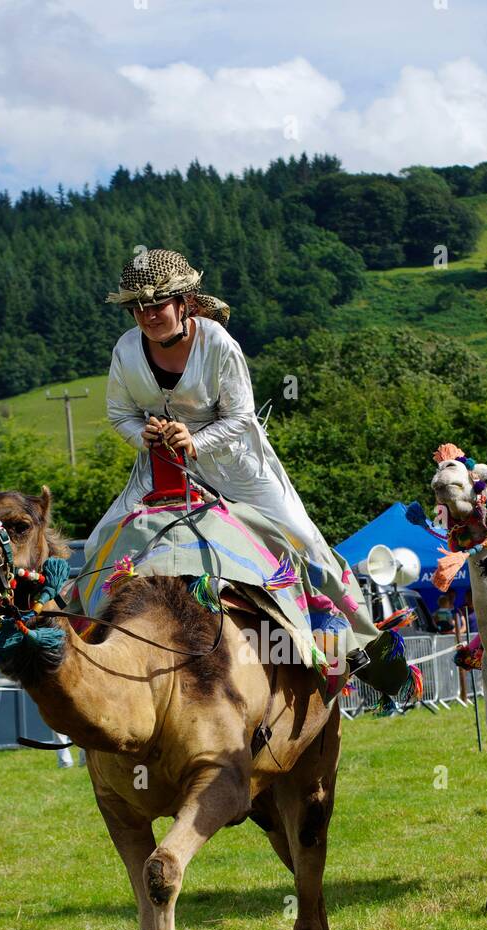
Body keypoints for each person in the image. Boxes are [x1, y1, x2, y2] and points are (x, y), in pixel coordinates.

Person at [88, 248, 403, 689]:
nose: (147, 315)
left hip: (235, 464)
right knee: (100, 544)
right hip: (158, 467)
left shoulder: (217, 342)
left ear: (185, 303)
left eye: (157, 304)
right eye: (137, 307)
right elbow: (120, 413)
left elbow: (240, 417)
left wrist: (194, 441)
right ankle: (87, 658)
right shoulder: (125, 348)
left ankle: (363, 651)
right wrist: (142, 436)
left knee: (303, 538)